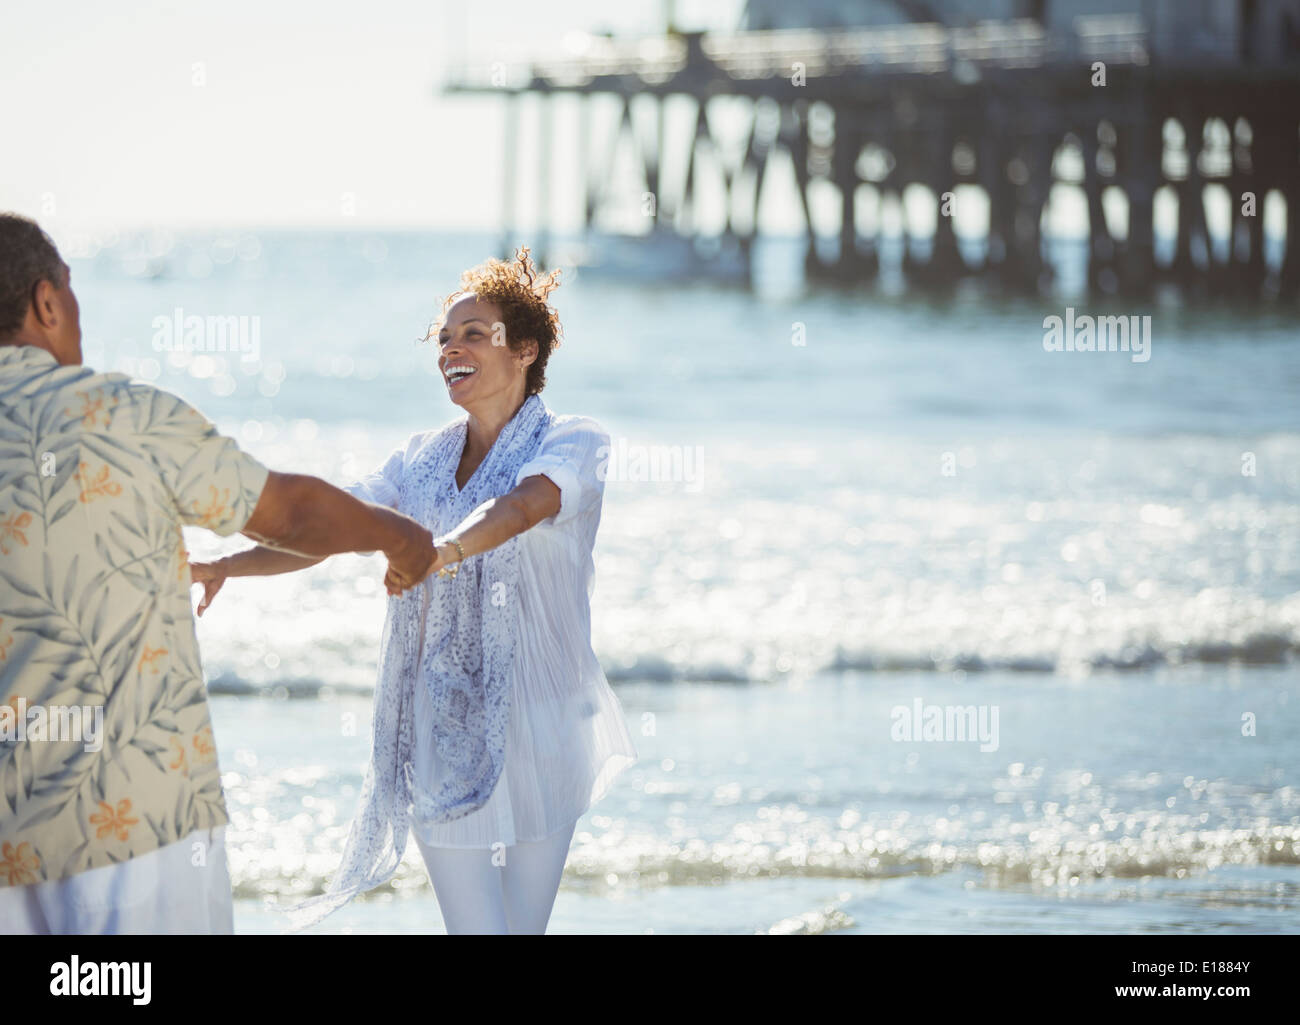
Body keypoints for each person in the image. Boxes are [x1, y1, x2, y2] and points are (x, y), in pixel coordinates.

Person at [0, 213, 437, 934]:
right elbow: (289, 512)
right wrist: (401, 537)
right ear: (47, 302)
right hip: (135, 819)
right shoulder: (119, 414)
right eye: (72, 297)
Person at [191, 247, 638, 933]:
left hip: (547, 722)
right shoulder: (418, 459)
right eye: (444, 338)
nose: (451, 349)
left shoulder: (574, 440)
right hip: (442, 726)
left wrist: (441, 551)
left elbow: (521, 507)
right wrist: (229, 563)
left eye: (473, 333)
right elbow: (331, 524)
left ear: (525, 349)